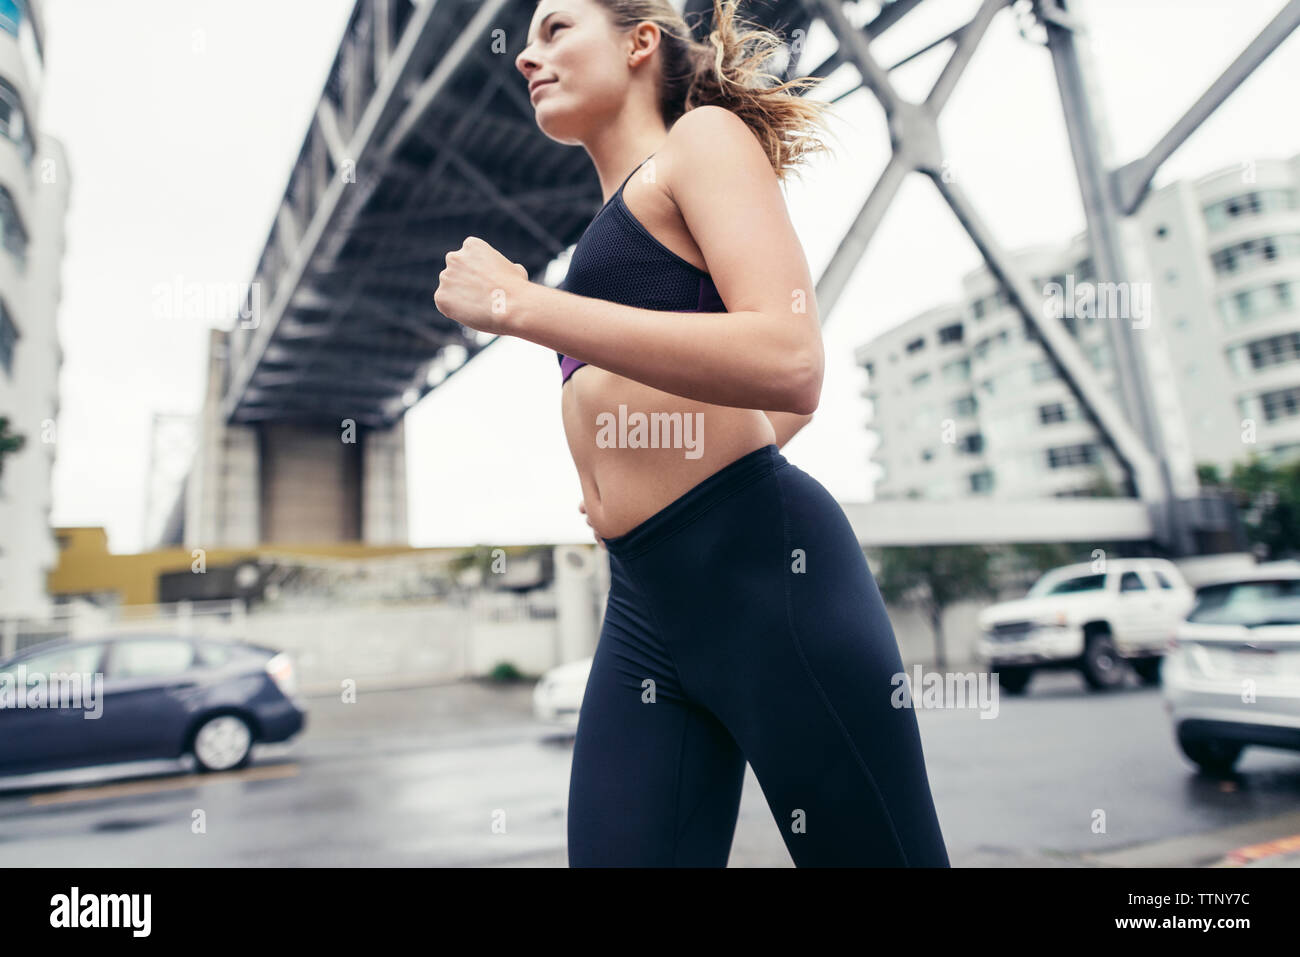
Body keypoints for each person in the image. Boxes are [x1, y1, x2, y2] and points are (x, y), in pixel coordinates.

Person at [434, 0, 950, 867]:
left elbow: (791, 361)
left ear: (640, 41)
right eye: (524, 40)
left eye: (555, 29)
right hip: (644, 600)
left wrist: (519, 304)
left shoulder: (702, 141)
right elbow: (774, 411)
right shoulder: (605, 228)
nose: (526, 57)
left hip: (762, 573)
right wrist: (645, 473)